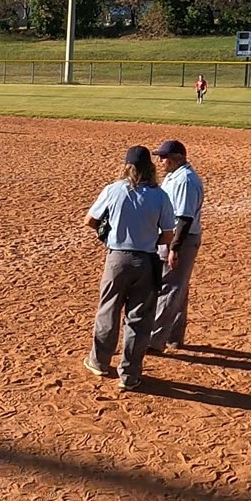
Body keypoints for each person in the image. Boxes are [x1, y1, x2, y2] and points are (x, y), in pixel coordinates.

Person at [83, 146, 175, 391]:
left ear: (127, 166)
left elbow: (90, 220)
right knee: (139, 319)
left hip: (117, 259)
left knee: (108, 311)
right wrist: (148, 241)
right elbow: (168, 235)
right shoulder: (160, 195)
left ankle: (99, 362)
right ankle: (130, 375)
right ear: (150, 168)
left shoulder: (113, 190)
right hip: (146, 261)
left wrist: (107, 234)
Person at [149, 140, 205, 353]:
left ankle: (154, 340)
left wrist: (175, 248)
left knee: (170, 287)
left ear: (178, 158)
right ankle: (174, 336)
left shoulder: (185, 181)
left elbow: (184, 218)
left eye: (164, 157)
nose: (160, 160)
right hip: (177, 237)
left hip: (182, 238)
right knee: (178, 286)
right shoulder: (175, 176)